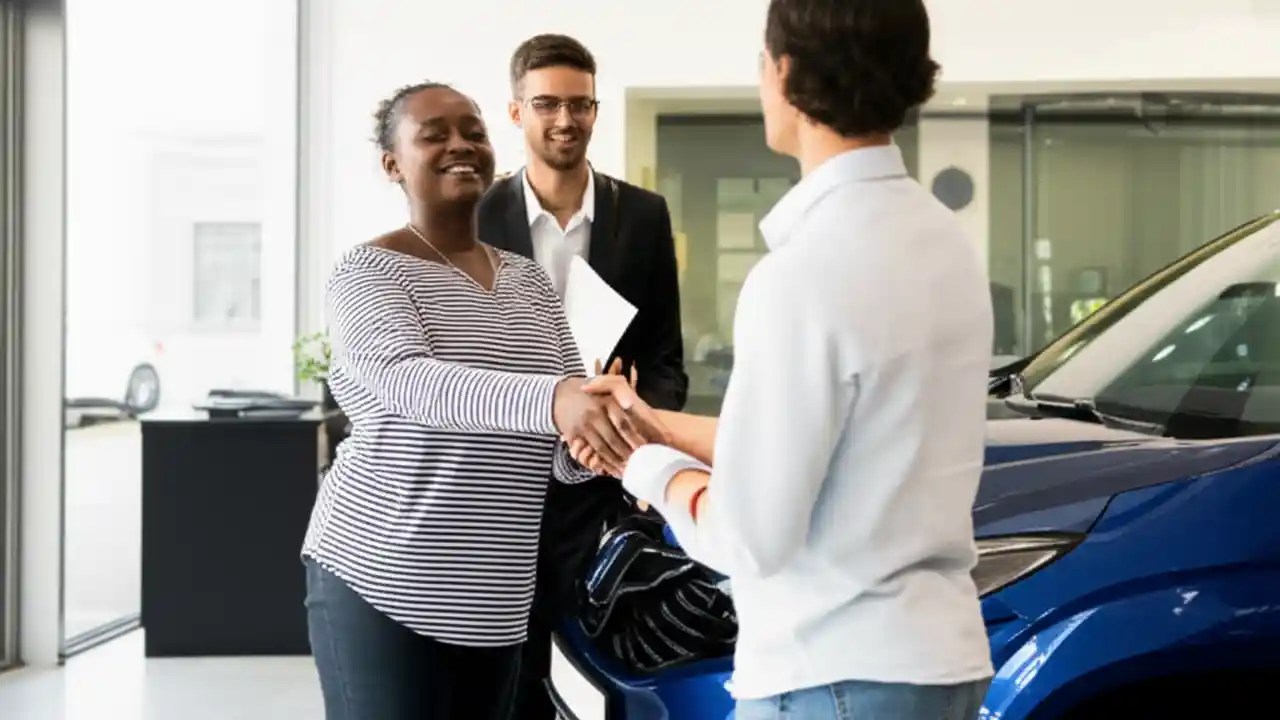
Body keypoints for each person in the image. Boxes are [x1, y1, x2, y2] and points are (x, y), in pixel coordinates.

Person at [578, 1, 996, 717]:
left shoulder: (801, 272)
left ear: (786, 71)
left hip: (830, 674)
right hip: (937, 665)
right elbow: (846, 447)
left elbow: (748, 537)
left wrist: (639, 463)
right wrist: (656, 423)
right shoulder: (945, 242)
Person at [299, 81, 642, 720]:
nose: (461, 145)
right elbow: (409, 381)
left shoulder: (528, 280)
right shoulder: (368, 272)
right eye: (435, 135)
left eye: (474, 132)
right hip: (382, 585)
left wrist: (601, 432)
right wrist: (560, 400)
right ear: (393, 163)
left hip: (495, 604)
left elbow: (558, 452)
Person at [475, 33, 688, 720]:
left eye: (579, 104)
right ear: (515, 113)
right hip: (503, 484)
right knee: (501, 679)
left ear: (596, 109)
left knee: (589, 678)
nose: (565, 120)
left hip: (603, 489)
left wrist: (633, 414)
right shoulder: (475, 219)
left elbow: (665, 357)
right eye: (546, 105)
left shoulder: (644, 215)